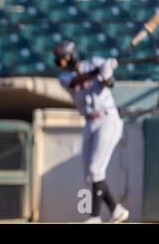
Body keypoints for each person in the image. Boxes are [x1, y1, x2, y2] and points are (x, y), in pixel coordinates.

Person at [53, 40, 130, 223]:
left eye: (63, 58)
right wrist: (100, 69)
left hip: (107, 118)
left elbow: (110, 83)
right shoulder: (64, 77)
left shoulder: (95, 62)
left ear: (72, 55)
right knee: (90, 175)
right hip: (89, 122)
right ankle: (116, 210)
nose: (61, 62)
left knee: (96, 169)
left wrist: (107, 72)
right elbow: (76, 81)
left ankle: (95, 217)